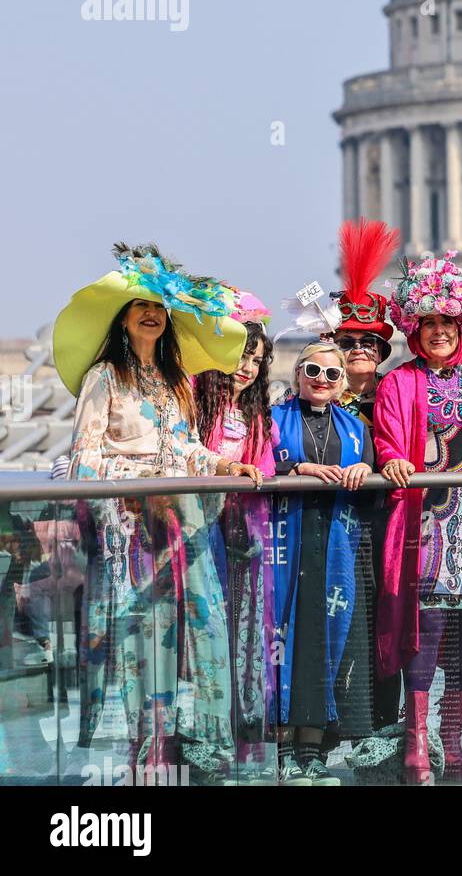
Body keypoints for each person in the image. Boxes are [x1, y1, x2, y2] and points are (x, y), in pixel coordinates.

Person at [54, 244, 260, 780]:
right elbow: (85, 458)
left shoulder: (173, 383)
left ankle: (172, 744)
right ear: (123, 317)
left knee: (183, 632)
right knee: (133, 633)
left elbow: (187, 447)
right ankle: (135, 751)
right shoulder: (105, 376)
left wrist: (222, 465)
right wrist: (136, 488)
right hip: (127, 528)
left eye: (160, 306)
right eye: (141, 303)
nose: (151, 312)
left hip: (179, 524)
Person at [374, 252, 462, 785]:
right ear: (416, 328)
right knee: (426, 628)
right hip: (427, 526)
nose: (438, 332)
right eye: (429, 323)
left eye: (447, 323)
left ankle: (452, 736)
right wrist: (392, 457)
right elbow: (388, 438)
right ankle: (417, 738)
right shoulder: (399, 382)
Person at [271, 340, 375, 785]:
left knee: (321, 641)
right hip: (284, 541)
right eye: (313, 370)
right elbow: (256, 462)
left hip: (332, 543)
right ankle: (280, 751)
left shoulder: (355, 428)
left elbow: (373, 468)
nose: (321, 380)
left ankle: (311, 751)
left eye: (333, 375)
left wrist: (363, 472)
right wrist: (296, 469)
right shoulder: (272, 419)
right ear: (297, 374)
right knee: (280, 641)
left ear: (342, 384)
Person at [192, 303, 278, 782]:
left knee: (243, 640)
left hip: (239, 538)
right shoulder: (193, 400)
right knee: (202, 639)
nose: (246, 367)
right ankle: (198, 742)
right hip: (195, 535)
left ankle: (238, 743)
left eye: (256, 360)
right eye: (240, 355)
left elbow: (264, 467)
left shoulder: (257, 415)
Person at [329, 218, 403, 737]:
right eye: (350, 341)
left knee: (383, 623)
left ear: (382, 351)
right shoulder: (314, 397)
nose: (359, 349)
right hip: (331, 526)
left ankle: (382, 726)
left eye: (369, 343)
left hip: (383, 527)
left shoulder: (396, 394)